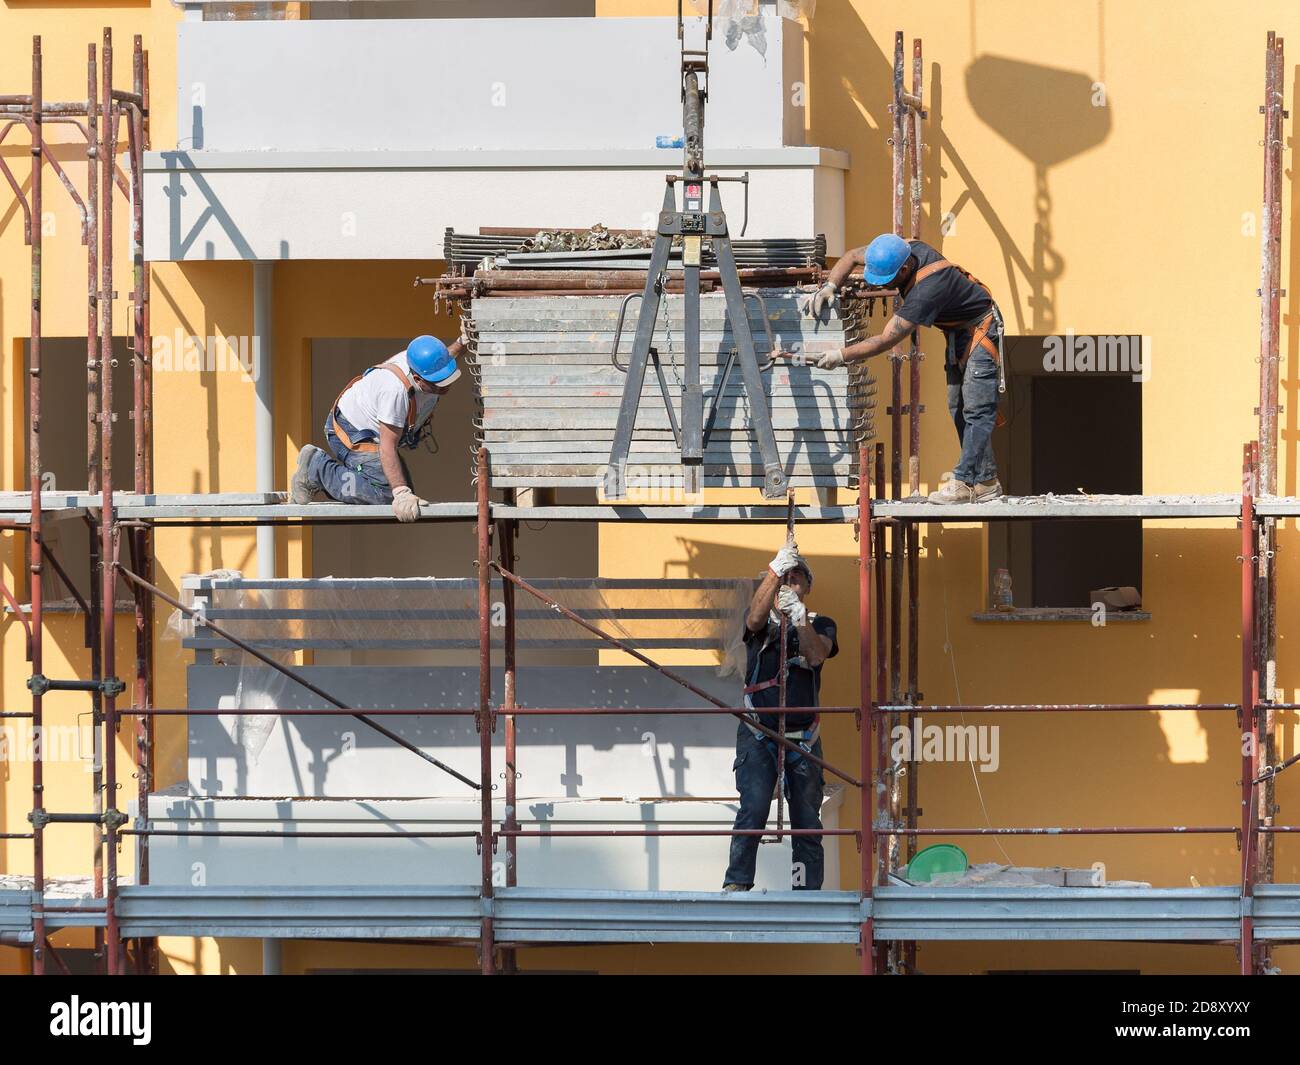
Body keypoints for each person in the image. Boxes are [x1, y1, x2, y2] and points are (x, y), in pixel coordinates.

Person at [806, 233, 1005, 503]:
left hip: (981, 330)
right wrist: (830, 285)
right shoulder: (897, 250)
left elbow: (886, 339)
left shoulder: (928, 289)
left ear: (904, 269)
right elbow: (852, 255)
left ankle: (965, 481)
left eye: (888, 279)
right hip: (957, 333)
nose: (882, 284)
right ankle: (986, 480)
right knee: (956, 405)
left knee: (977, 408)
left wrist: (840, 355)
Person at [722, 539, 837, 892]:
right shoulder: (760, 627)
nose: (790, 583)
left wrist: (800, 618)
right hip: (760, 732)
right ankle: (738, 884)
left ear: (807, 587)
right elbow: (754, 616)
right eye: (785, 579)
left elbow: (817, 656)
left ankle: (805, 891)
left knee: (806, 821)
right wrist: (775, 570)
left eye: (797, 578)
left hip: (803, 736)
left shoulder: (821, 624)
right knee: (753, 810)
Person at [290, 335, 463, 521]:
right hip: (350, 431)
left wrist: (463, 342)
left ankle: (328, 472)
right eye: (438, 384)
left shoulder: (424, 362)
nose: (446, 387)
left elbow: (444, 360)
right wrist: (400, 492)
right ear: (416, 378)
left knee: (402, 493)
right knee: (385, 495)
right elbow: (387, 447)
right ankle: (317, 468)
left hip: (365, 425)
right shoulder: (395, 391)